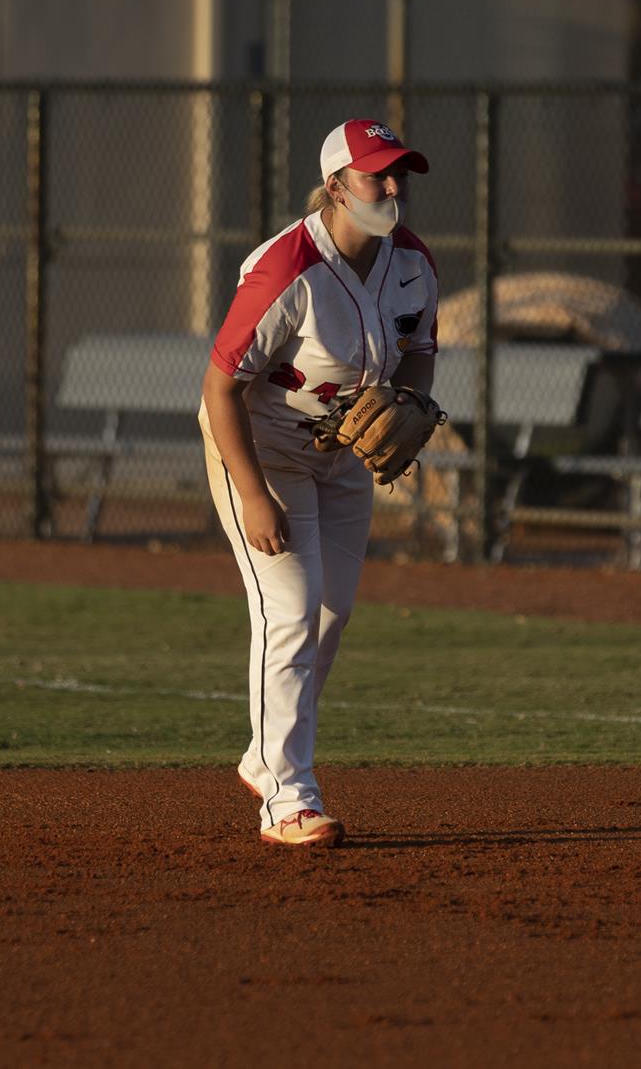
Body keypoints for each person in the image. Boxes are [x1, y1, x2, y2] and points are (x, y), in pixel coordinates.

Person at [199, 119, 438, 848]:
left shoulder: (412, 262)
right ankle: (288, 799)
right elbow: (219, 388)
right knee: (291, 611)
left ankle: (263, 758)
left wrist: (411, 402)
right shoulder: (288, 269)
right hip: (261, 448)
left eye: (399, 173)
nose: (392, 186)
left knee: (331, 614)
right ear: (335, 186)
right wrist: (252, 495)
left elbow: (420, 349)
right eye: (375, 174)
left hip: (342, 453)